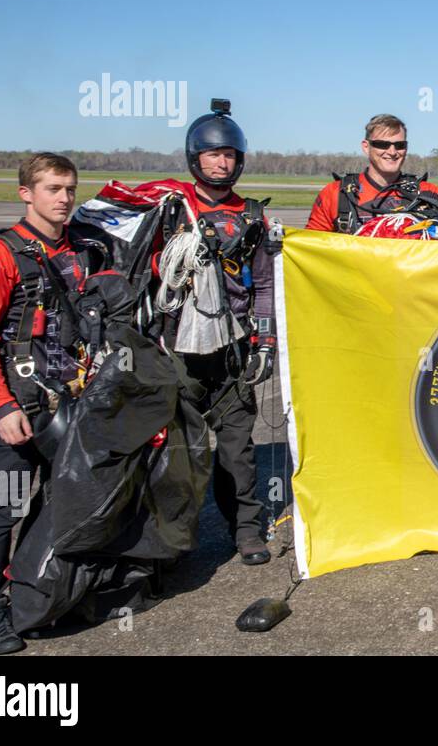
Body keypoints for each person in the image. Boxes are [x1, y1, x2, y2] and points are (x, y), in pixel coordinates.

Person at [0, 153, 89, 654]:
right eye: (53, 188)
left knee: (62, 503)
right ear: (25, 194)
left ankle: (38, 591)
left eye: (70, 189)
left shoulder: (80, 251)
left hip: (69, 406)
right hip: (17, 408)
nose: (64, 198)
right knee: (3, 510)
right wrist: (1, 407)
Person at [158, 100, 277, 566]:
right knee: (179, 453)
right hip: (178, 350)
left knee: (237, 452)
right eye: (212, 154)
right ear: (195, 158)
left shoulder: (250, 216)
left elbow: (264, 283)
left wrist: (264, 340)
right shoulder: (170, 209)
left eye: (229, 155)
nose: (221, 162)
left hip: (233, 349)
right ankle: (172, 541)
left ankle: (246, 531)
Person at [306, 114, 438, 237]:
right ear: (366, 147)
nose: (392, 152)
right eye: (382, 144)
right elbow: (310, 249)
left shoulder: (430, 194)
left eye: (399, 145)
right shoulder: (336, 194)